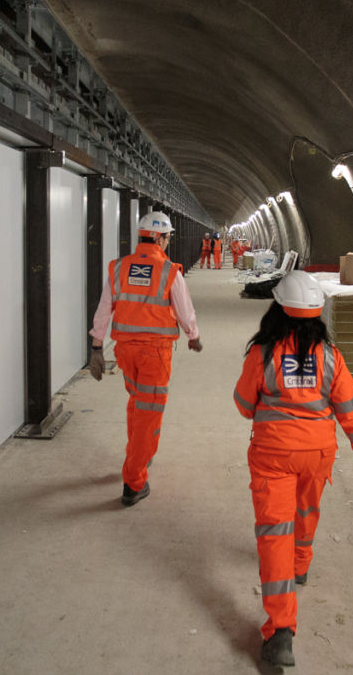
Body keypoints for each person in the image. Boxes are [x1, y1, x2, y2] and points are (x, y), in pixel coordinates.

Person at [232, 271, 353, 666]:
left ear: (277, 309)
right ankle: (300, 567)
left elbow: (244, 406)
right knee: (307, 509)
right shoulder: (330, 357)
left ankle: (281, 630)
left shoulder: (263, 354)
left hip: (273, 455)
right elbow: (351, 410)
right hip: (318, 453)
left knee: (274, 534)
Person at [89, 211, 203, 506]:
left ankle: (138, 455)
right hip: (154, 353)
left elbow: (104, 307)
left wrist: (97, 346)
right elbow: (184, 309)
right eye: (168, 238)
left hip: (124, 351)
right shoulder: (169, 271)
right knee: (149, 413)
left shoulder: (119, 267)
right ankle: (134, 481)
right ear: (160, 238)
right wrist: (192, 335)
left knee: (137, 403)